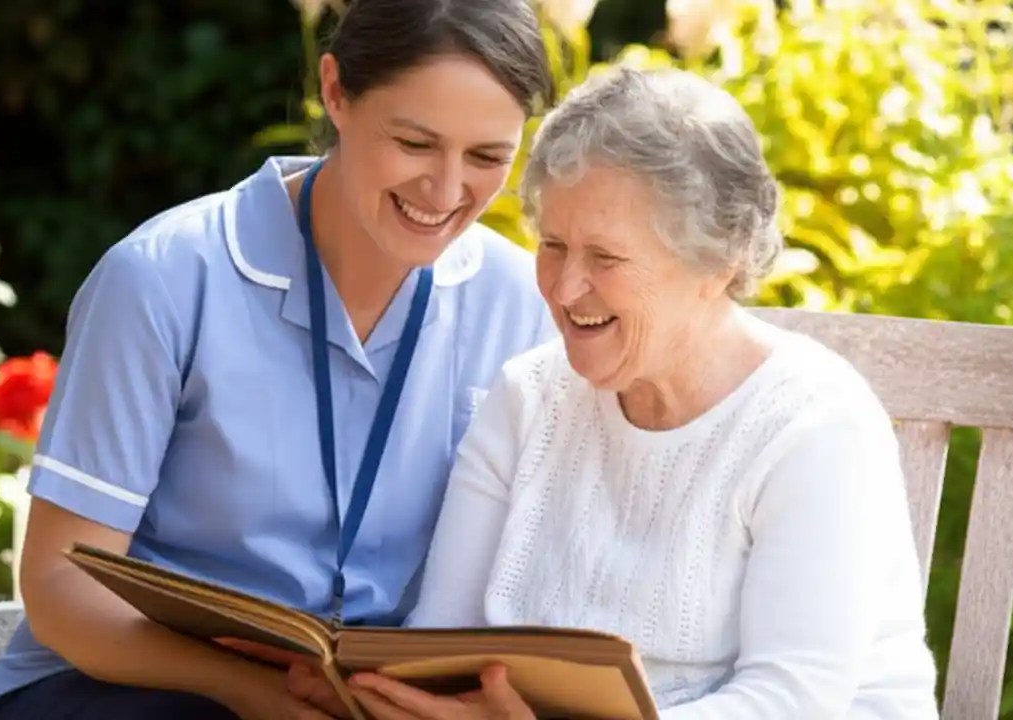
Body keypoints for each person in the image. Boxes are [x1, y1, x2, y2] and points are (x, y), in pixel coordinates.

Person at [0, 1, 555, 718]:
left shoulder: (523, 303)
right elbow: (61, 587)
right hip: (122, 690)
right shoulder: (164, 277)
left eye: (488, 157)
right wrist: (253, 694)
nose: (447, 190)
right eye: (415, 143)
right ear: (335, 91)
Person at [344, 67, 941, 719]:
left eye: (606, 259)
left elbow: (789, 699)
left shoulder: (814, 427)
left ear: (721, 263)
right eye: (553, 246)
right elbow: (442, 643)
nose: (566, 290)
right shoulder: (528, 399)